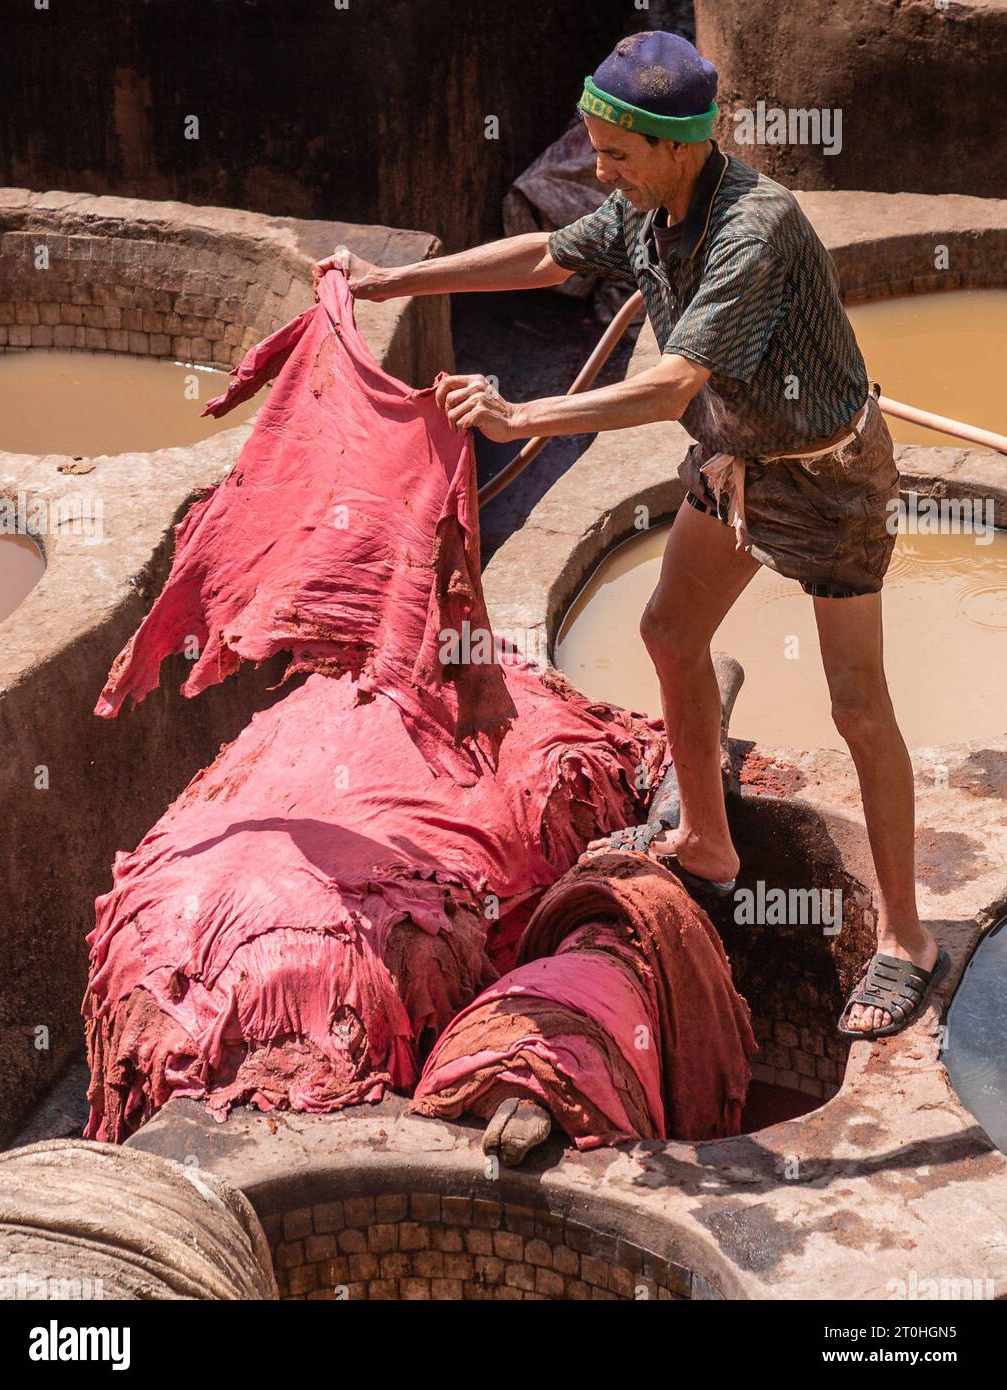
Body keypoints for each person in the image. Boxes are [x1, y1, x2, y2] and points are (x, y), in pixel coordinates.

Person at [311, 30, 948, 1041]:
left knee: (856, 706)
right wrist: (394, 283)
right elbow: (545, 255)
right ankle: (705, 841)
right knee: (665, 631)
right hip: (736, 457)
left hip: (823, 480)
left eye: (614, 154)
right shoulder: (649, 207)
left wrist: (521, 418)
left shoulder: (755, 228)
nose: (598, 171)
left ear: (677, 146)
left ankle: (907, 938)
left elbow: (667, 385)